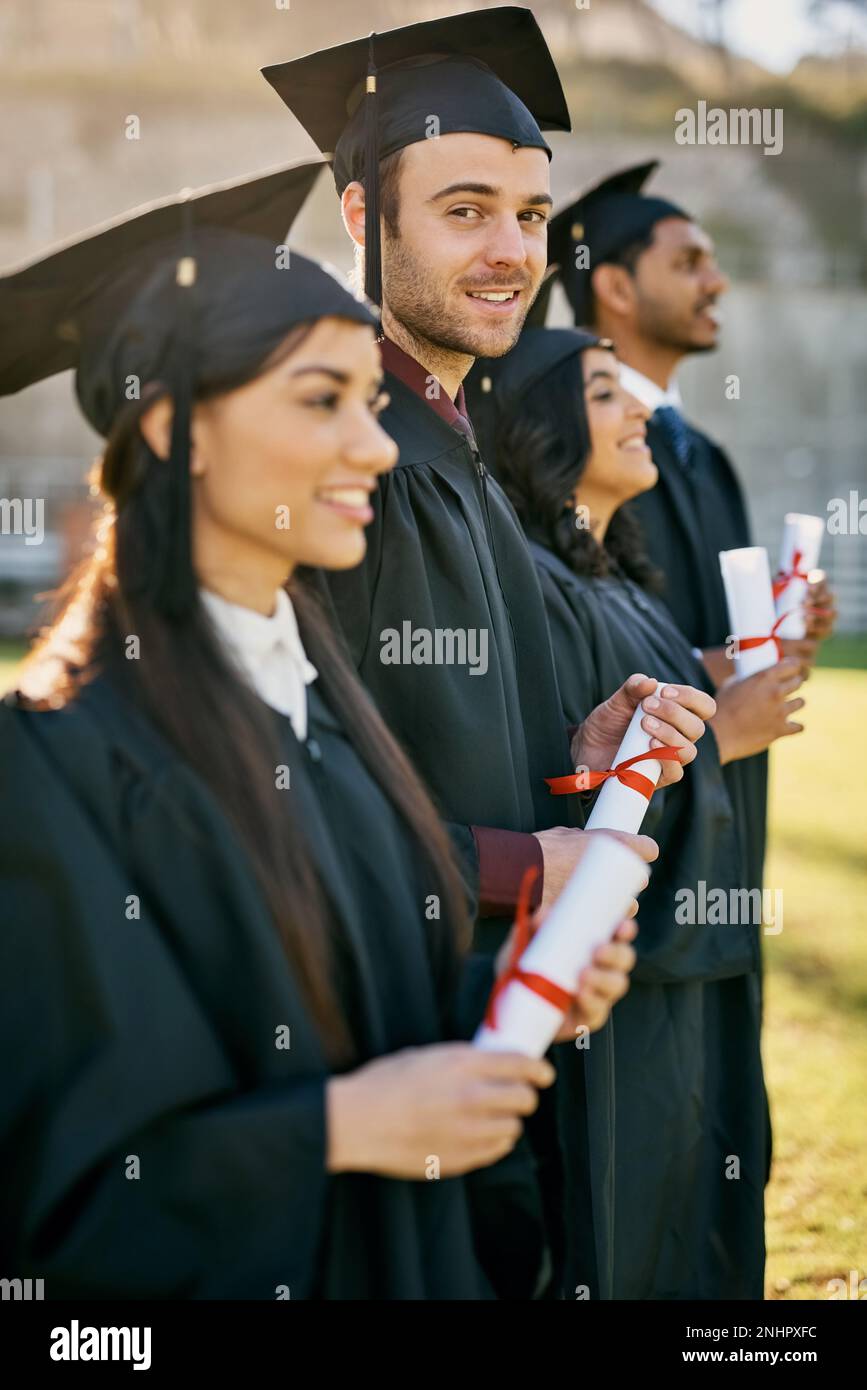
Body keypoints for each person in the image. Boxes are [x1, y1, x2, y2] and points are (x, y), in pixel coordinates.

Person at [0, 166, 639, 1300]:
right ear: (174, 426)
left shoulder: (326, 715)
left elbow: (349, 999)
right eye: (319, 400)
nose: (378, 446)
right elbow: (68, 1213)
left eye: (369, 400)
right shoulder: (50, 767)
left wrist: (508, 987)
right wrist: (337, 1129)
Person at [262, 10, 715, 1297]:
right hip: (383, 1076)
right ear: (364, 217)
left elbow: (428, 726)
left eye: (530, 214)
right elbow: (276, 792)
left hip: (501, 1056)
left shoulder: (456, 449)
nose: (514, 251)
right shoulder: (350, 467)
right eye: (466, 210)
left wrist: (573, 756)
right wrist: (524, 867)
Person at [532, 161, 837, 1297]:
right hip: (647, 873)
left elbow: (706, 641)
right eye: (687, 261)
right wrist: (713, 718)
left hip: (723, 834)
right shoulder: (583, 457)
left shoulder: (692, 448)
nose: (717, 282)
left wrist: (781, 639)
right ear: (610, 285)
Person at [466, 326, 782, 1297]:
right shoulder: (535, 587)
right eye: (605, 393)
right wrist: (719, 733)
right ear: (545, 427)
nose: (641, 407)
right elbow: (544, 783)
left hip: (691, 970)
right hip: (623, 988)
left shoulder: (620, 583)